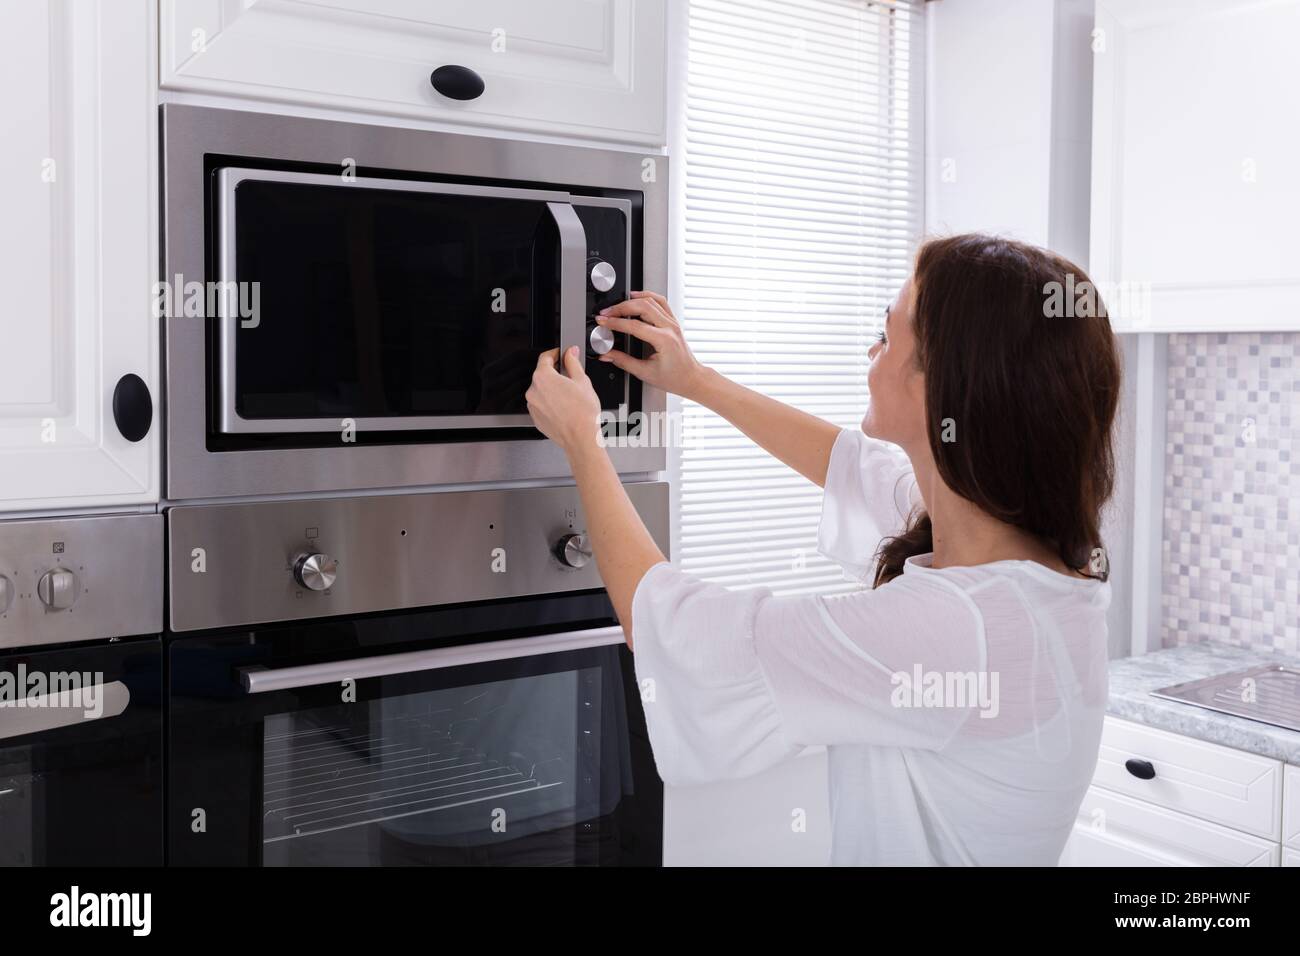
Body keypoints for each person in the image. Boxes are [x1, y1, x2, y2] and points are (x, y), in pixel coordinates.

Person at [524, 233, 1122, 865]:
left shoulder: (956, 631)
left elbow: (678, 630)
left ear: (944, 385)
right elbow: (852, 468)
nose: (872, 351)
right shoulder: (1031, 565)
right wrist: (695, 382)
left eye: (888, 338)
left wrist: (584, 444)